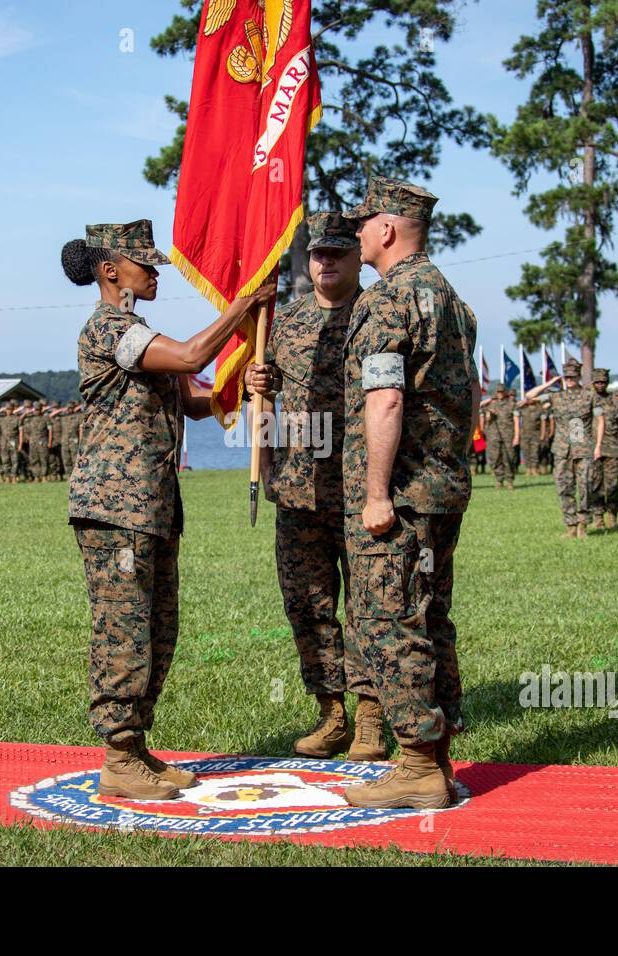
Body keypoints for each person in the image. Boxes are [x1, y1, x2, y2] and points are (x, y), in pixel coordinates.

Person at [63, 218, 276, 800]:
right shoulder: (109, 329)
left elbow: (195, 399)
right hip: (115, 510)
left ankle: (134, 749)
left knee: (159, 631)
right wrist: (243, 306)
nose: (155, 272)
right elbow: (187, 356)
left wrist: (243, 385)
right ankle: (119, 753)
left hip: (150, 507)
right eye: (144, 264)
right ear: (111, 272)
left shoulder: (139, 332)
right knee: (125, 632)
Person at [338, 176, 479, 810]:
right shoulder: (450, 298)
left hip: (401, 496)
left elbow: (386, 397)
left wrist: (374, 494)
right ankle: (437, 753)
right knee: (429, 615)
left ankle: (419, 763)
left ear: (387, 229)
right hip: (443, 488)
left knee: (388, 622)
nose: (357, 233)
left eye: (363, 223)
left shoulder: (390, 299)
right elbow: (468, 395)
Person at [242, 211, 385, 761]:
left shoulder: (377, 313)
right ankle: (331, 712)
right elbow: (268, 387)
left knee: (369, 604)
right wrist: (260, 381)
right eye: (317, 254)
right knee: (308, 603)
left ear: (357, 258)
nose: (325, 262)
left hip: (361, 486)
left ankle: (371, 715)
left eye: (337, 253)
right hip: (300, 486)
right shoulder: (288, 321)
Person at [524, 358, 598, 538]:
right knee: (564, 487)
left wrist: (597, 445)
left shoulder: (589, 396)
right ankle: (571, 525)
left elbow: (598, 421)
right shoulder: (556, 396)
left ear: (579, 376)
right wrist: (550, 382)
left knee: (585, 487)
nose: (570, 380)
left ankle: (583, 524)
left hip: (583, 448)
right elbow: (529, 396)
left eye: (573, 377)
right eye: (567, 377)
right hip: (562, 449)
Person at [589, 368, 618, 528]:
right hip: (590, 449)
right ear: (592, 383)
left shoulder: (615, 402)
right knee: (594, 483)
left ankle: (612, 515)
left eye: (603, 382)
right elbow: (575, 424)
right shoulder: (586, 400)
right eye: (597, 382)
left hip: (612, 448)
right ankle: (598, 517)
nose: (600, 385)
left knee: (612, 484)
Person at [483, 382, 520, 489]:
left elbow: (516, 421)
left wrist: (517, 436)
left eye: (501, 392)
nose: (500, 393)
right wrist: (490, 414)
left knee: (509, 458)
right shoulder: (492, 404)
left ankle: (509, 480)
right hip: (494, 435)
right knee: (495, 458)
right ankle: (499, 479)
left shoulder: (512, 404)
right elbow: (487, 421)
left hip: (508, 435)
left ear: (506, 392)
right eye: (498, 392)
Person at [519, 396, 545, 475]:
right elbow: (515, 407)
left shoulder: (540, 409)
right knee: (526, 452)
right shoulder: (523, 409)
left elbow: (543, 423)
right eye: (528, 398)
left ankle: (534, 469)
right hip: (525, 434)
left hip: (535, 434)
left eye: (531, 398)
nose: (530, 400)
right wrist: (524, 402)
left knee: (535, 452)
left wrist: (542, 434)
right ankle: (528, 469)